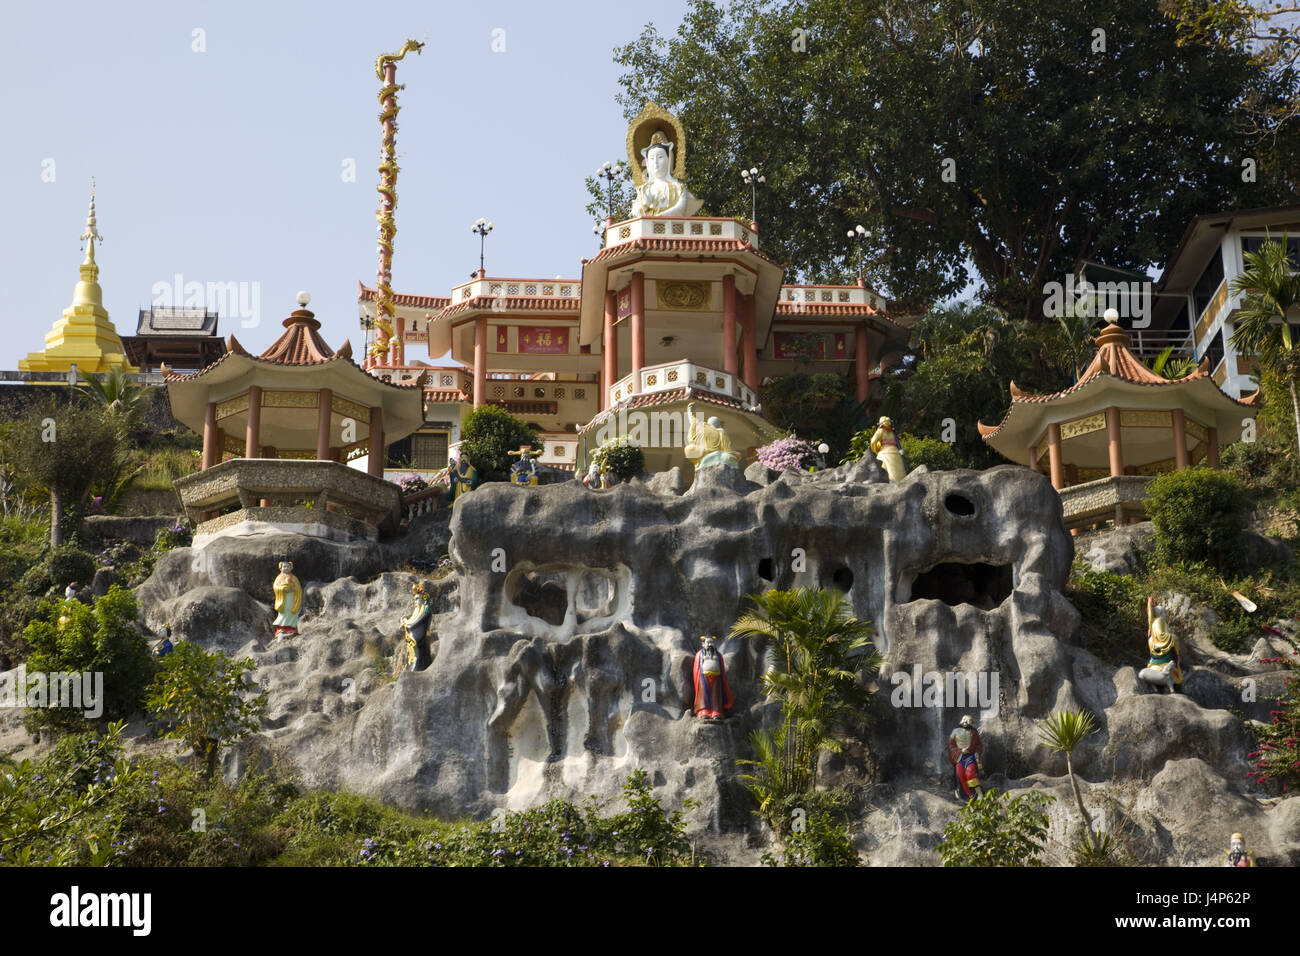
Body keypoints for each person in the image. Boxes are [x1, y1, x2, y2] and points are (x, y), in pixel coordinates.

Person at [632, 132, 696, 218]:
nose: (655, 162)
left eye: (660, 157)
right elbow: (635, 212)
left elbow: (681, 209)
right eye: (651, 158)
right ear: (647, 162)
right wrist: (644, 204)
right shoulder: (644, 190)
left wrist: (660, 216)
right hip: (648, 228)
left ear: (669, 160)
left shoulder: (678, 187)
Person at [1138, 596, 1183, 693]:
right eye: (1164, 613)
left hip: (1156, 649)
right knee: (1174, 639)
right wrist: (1173, 637)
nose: (1166, 615)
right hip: (1160, 647)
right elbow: (1161, 635)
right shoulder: (1159, 621)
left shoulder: (1156, 622)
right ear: (1160, 614)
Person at [684, 403, 740, 470]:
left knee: (688, 449)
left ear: (708, 423)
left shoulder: (703, 426)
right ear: (719, 425)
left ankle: (699, 463)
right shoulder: (721, 431)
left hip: (704, 452)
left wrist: (690, 410)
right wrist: (735, 453)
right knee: (731, 457)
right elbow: (727, 448)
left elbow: (692, 419)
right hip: (717, 453)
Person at [692, 636, 733, 720]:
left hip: (717, 677)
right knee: (703, 694)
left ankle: (716, 711)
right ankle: (704, 710)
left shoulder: (718, 655)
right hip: (703, 677)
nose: (710, 644)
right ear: (703, 644)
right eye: (708, 642)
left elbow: (722, 667)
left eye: (712, 642)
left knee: (716, 694)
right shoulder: (699, 654)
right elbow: (696, 667)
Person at [946, 715, 985, 801]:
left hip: (970, 756)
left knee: (971, 774)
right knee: (960, 775)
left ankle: (978, 794)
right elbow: (950, 745)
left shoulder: (974, 732)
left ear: (971, 722)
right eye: (964, 719)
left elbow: (979, 745)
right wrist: (959, 751)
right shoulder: (955, 731)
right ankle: (964, 795)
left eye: (968, 720)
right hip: (959, 756)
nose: (965, 721)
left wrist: (977, 753)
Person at [869, 417, 907, 482]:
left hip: (884, 453)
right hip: (896, 453)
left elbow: (873, 441)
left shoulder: (881, 430)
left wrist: (876, 450)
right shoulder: (892, 432)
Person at [272, 561, 303, 638]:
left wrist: (294, 589)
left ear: (291, 568)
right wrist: (283, 589)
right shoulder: (279, 578)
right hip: (283, 599)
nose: (286, 568)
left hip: (292, 597)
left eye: (288, 567)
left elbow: (299, 588)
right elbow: (275, 587)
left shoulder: (294, 578)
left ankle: (292, 628)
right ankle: (281, 629)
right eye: (284, 567)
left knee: (292, 612)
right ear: (280, 568)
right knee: (283, 612)